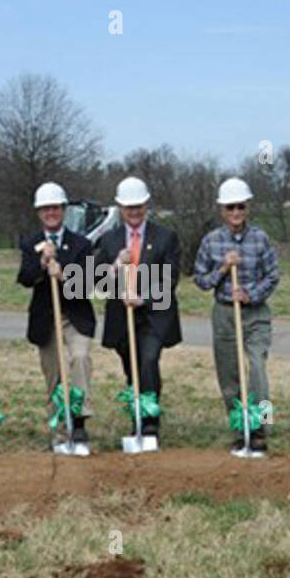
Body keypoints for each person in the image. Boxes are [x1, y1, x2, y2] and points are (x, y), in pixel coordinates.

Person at [193, 176, 280, 452]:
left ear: (247, 208)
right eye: (230, 208)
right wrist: (222, 269)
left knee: (257, 369)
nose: (235, 213)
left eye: (240, 207)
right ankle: (239, 427)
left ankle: (261, 425)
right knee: (229, 375)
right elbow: (200, 279)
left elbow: (273, 275)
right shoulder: (211, 241)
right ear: (222, 210)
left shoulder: (260, 238)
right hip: (224, 313)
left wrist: (251, 294)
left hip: (255, 313)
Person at [94, 176, 183, 440]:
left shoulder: (166, 237)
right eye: (128, 207)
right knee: (132, 368)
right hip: (122, 318)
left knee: (148, 360)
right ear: (120, 208)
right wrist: (115, 266)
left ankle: (149, 420)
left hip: (154, 314)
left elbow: (170, 278)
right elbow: (97, 282)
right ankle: (138, 412)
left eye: (139, 206)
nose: (134, 212)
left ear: (146, 205)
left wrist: (143, 297)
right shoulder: (109, 240)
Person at [17, 182, 96, 446]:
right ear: (39, 213)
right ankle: (60, 430)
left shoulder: (82, 244)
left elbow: (88, 285)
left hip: (75, 316)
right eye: (45, 208)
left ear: (63, 209)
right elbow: (25, 278)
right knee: (54, 375)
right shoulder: (30, 243)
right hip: (46, 318)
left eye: (55, 207)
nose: (51, 212)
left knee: (80, 358)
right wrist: (42, 263)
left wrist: (63, 274)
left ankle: (80, 423)